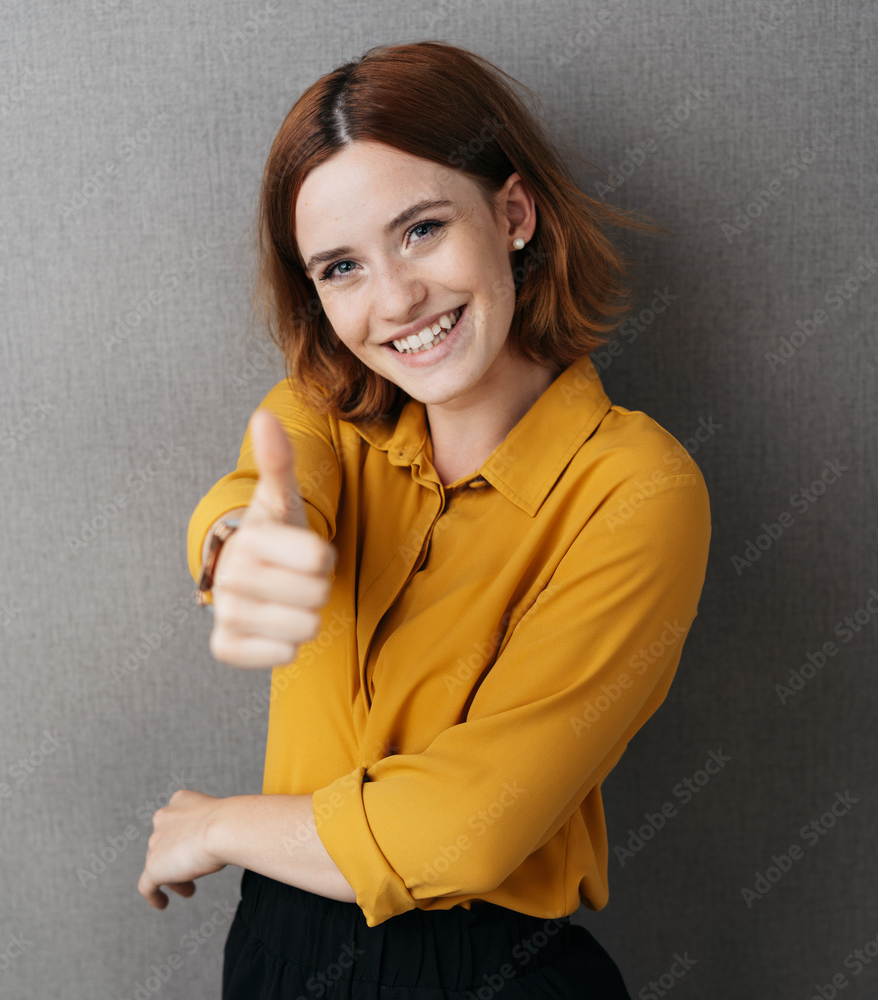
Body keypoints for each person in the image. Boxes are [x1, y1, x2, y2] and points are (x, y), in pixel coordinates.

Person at [137, 39, 712, 999]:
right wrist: (242, 546)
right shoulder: (319, 414)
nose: (396, 301)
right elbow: (261, 497)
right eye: (341, 267)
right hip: (274, 954)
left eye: (421, 230)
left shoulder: (636, 488)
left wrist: (218, 825)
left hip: (483, 968)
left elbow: (464, 832)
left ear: (514, 214)